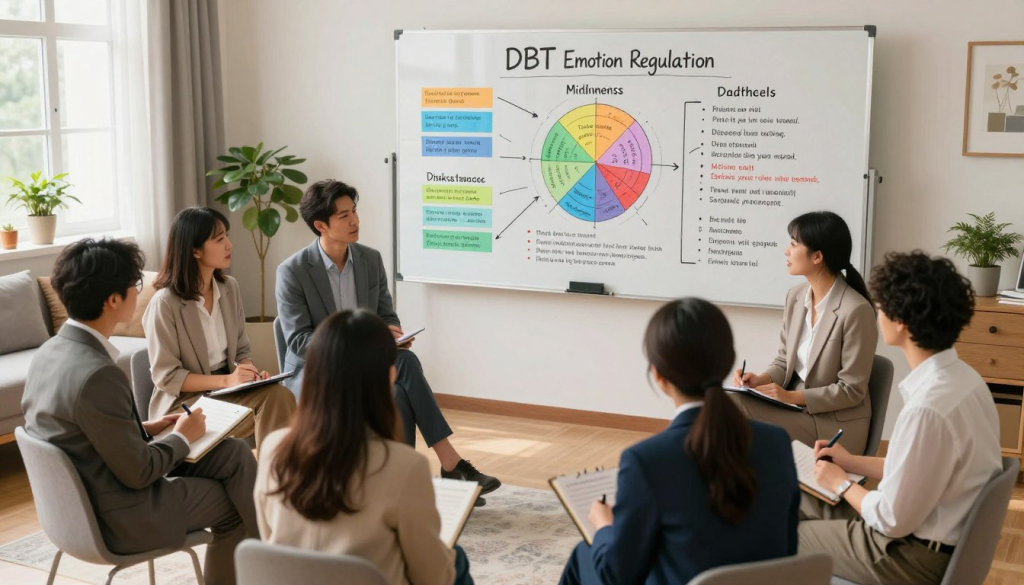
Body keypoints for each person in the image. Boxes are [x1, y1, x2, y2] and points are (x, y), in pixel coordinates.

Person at [21, 238, 258, 585]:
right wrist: (180, 436)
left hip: (78, 506)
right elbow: (140, 472)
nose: (139, 292)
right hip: (122, 515)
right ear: (113, 300)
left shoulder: (49, 353)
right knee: (235, 504)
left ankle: (273, 557)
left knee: (235, 453)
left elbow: (85, 433)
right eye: (134, 285)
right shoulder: (98, 374)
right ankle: (272, 562)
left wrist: (150, 427)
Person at [276, 179, 498, 501]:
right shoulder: (293, 271)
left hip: (365, 360)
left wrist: (393, 332)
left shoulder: (369, 259)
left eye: (354, 211)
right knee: (403, 370)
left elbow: (386, 315)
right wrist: (360, 347)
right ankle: (448, 465)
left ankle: (405, 481)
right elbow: (299, 341)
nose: (355, 221)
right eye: (343, 216)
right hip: (319, 371)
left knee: (398, 384)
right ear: (320, 225)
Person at [560, 298, 800, 584]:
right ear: (726, 362)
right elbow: (788, 549)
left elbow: (616, 576)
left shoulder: (646, 461)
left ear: (658, 375)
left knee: (585, 555)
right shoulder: (777, 442)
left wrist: (604, 527)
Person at [799, 251, 1002, 584]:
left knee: (785, 534)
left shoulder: (928, 408)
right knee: (801, 498)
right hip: (931, 539)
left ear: (900, 322)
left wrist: (840, 481)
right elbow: (924, 471)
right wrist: (853, 462)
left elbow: (892, 518)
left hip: (909, 556)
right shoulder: (966, 381)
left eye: (881, 307)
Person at [255, 309, 474, 584]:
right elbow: (432, 578)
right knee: (456, 559)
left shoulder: (272, 450)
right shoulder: (405, 468)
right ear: (389, 376)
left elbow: (269, 543)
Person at [143, 207, 296, 450]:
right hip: (184, 406)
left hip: (227, 392)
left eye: (227, 236)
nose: (229, 245)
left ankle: (277, 476)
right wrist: (228, 381)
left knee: (279, 395)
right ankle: (275, 477)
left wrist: (249, 375)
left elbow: (242, 349)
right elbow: (167, 377)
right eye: (219, 239)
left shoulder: (229, 288)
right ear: (194, 250)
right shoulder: (165, 303)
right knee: (275, 400)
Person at [732, 211, 877, 454]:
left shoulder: (856, 310)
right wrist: (759, 380)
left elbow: (851, 391)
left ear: (818, 256)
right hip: (795, 408)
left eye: (793, 244)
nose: (786, 251)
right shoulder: (796, 297)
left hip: (832, 424)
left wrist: (789, 397)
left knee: (735, 410)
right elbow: (783, 360)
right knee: (730, 402)